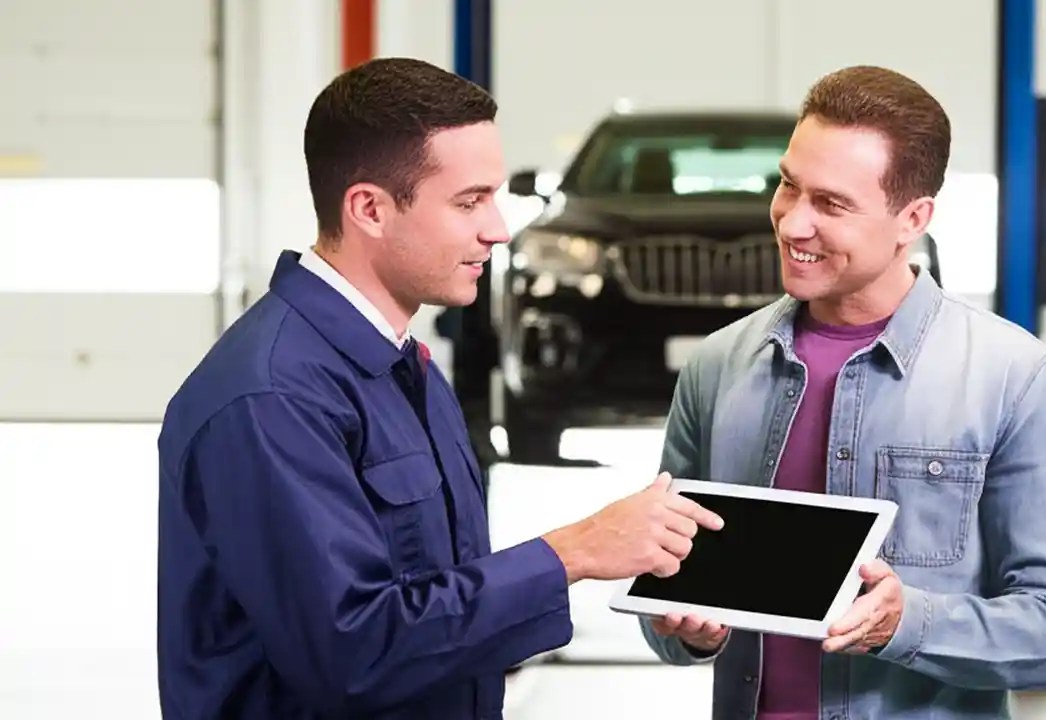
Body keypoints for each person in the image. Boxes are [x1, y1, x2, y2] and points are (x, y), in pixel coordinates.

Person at [156, 57, 723, 720]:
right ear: (369, 208)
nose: (499, 229)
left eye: (496, 196)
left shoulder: (407, 369)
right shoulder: (271, 400)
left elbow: (440, 599)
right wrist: (577, 550)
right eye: (468, 201)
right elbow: (356, 654)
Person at [640, 65, 1046, 719]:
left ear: (913, 218)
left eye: (831, 204)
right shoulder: (717, 367)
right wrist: (682, 628)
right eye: (788, 187)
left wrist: (910, 624)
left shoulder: (1011, 378)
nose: (792, 224)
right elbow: (665, 588)